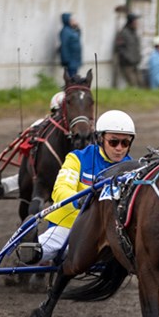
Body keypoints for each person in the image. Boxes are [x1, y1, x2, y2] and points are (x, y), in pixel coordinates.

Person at [36, 110, 136, 263]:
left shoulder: (133, 169)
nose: (119, 148)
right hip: (69, 226)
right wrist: (81, 200)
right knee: (40, 250)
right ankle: (31, 251)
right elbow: (59, 191)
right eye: (113, 142)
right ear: (99, 138)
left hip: (108, 234)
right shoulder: (77, 159)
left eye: (125, 143)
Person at [113, 13, 142, 88]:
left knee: (141, 83)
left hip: (135, 63)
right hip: (127, 64)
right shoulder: (123, 33)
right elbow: (119, 48)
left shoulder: (134, 33)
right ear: (131, 22)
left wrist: (138, 58)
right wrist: (128, 58)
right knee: (133, 85)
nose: (137, 23)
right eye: (135, 21)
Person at [58, 13, 83, 78]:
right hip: (70, 60)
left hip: (75, 59)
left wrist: (77, 28)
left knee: (74, 77)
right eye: (72, 20)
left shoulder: (72, 30)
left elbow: (78, 36)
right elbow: (64, 46)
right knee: (71, 79)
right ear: (67, 21)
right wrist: (66, 60)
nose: (74, 21)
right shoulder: (65, 31)